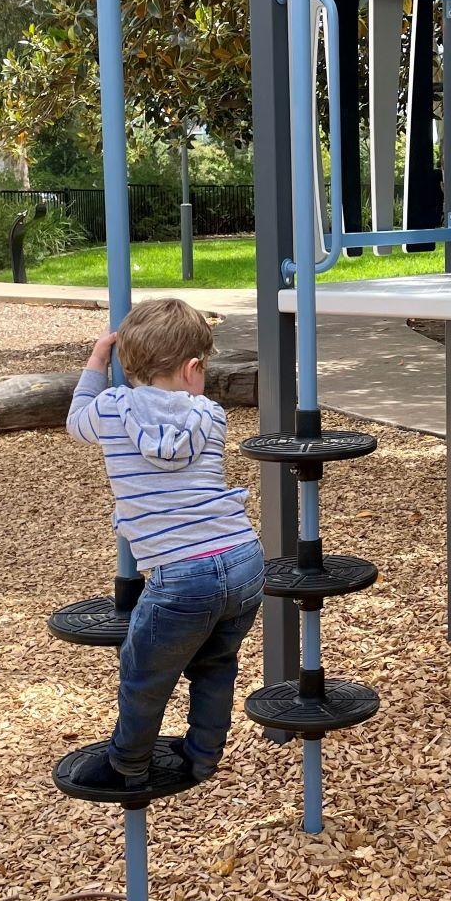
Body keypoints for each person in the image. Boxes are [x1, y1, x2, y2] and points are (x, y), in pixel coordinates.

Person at [64, 297, 266, 788]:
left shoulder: (110, 409)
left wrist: (96, 360)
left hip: (183, 575)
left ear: (125, 363)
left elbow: (75, 421)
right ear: (195, 368)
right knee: (216, 663)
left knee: (144, 674)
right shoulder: (212, 415)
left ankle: (127, 765)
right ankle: (202, 756)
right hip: (243, 558)